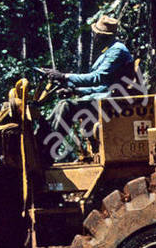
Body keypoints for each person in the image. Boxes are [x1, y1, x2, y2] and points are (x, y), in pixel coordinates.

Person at [37, 14, 137, 162]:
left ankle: (46, 154)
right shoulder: (109, 50)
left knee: (66, 107)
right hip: (105, 97)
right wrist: (74, 91)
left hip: (113, 102)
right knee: (62, 105)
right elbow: (101, 86)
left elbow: (97, 78)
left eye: (96, 34)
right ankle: (39, 145)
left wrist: (64, 77)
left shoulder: (117, 51)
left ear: (103, 36)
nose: (94, 37)